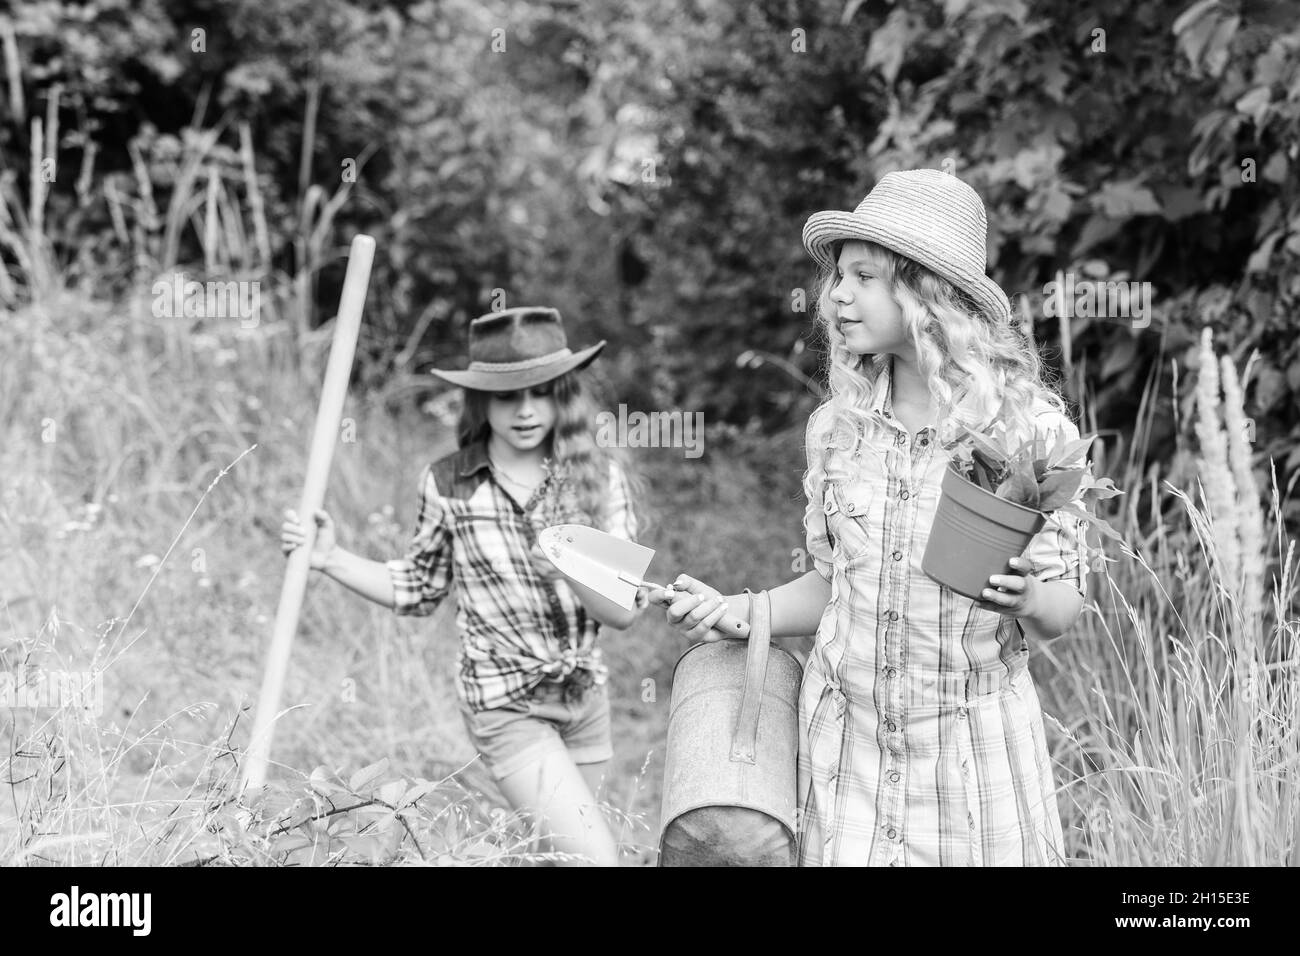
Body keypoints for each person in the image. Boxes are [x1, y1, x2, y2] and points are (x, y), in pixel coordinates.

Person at [651, 169, 1090, 866]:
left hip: (969, 764)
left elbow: (1062, 608)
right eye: (836, 276)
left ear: (926, 294)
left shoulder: (1027, 434)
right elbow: (832, 585)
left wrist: (1031, 596)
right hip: (847, 754)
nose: (836, 295)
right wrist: (741, 610)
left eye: (862, 276)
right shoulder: (837, 429)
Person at [281, 306, 640, 866]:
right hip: (504, 703)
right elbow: (418, 589)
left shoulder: (596, 477)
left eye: (541, 392)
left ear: (562, 394)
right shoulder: (449, 484)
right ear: (481, 400)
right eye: (506, 396)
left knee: (553, 859)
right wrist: (330, 559)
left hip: (582, 695)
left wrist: (565, 559)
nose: (525, 410)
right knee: (597, 859)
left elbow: (622, 614)